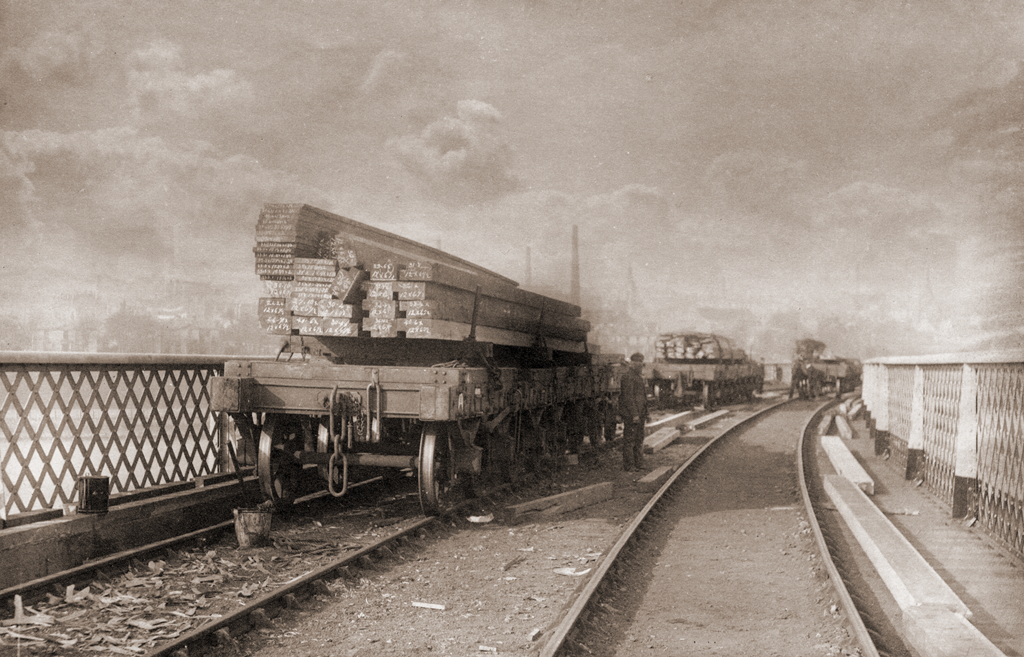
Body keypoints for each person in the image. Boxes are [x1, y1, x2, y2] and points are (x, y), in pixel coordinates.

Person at [619, 352, 649, 472]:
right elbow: (628, 397)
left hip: (640, 414)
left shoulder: (638, 377)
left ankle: (638, 463)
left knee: (639, 439)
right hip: (632, 415)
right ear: (633, 363)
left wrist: (646, 413)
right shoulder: (628, 377)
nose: (641, 365)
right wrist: (635, 414)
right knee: (630, 440)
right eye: (638, 363)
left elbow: (643, 398)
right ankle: (629, 465)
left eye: (641, 362)